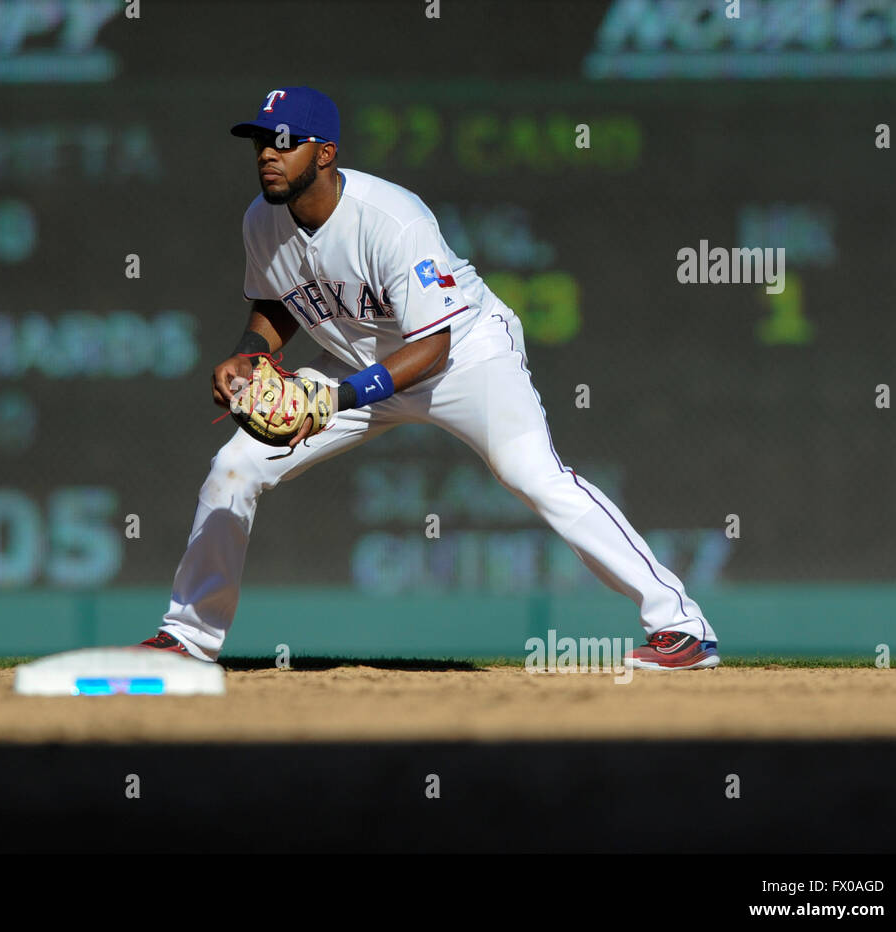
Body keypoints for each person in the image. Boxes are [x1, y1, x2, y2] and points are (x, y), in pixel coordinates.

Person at [138, 86, 718, 671]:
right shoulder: (261, 221)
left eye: (284, 142)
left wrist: (334, 398)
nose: (268, 153)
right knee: (233, 469)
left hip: (464, 356)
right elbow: (279, 302)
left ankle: (680, 627)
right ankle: (188, 637)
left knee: (532, 475)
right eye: (262, 141)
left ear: (325, 153)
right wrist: (248, 354)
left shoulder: (392, 218)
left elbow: (433, 346)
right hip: (358, 359)